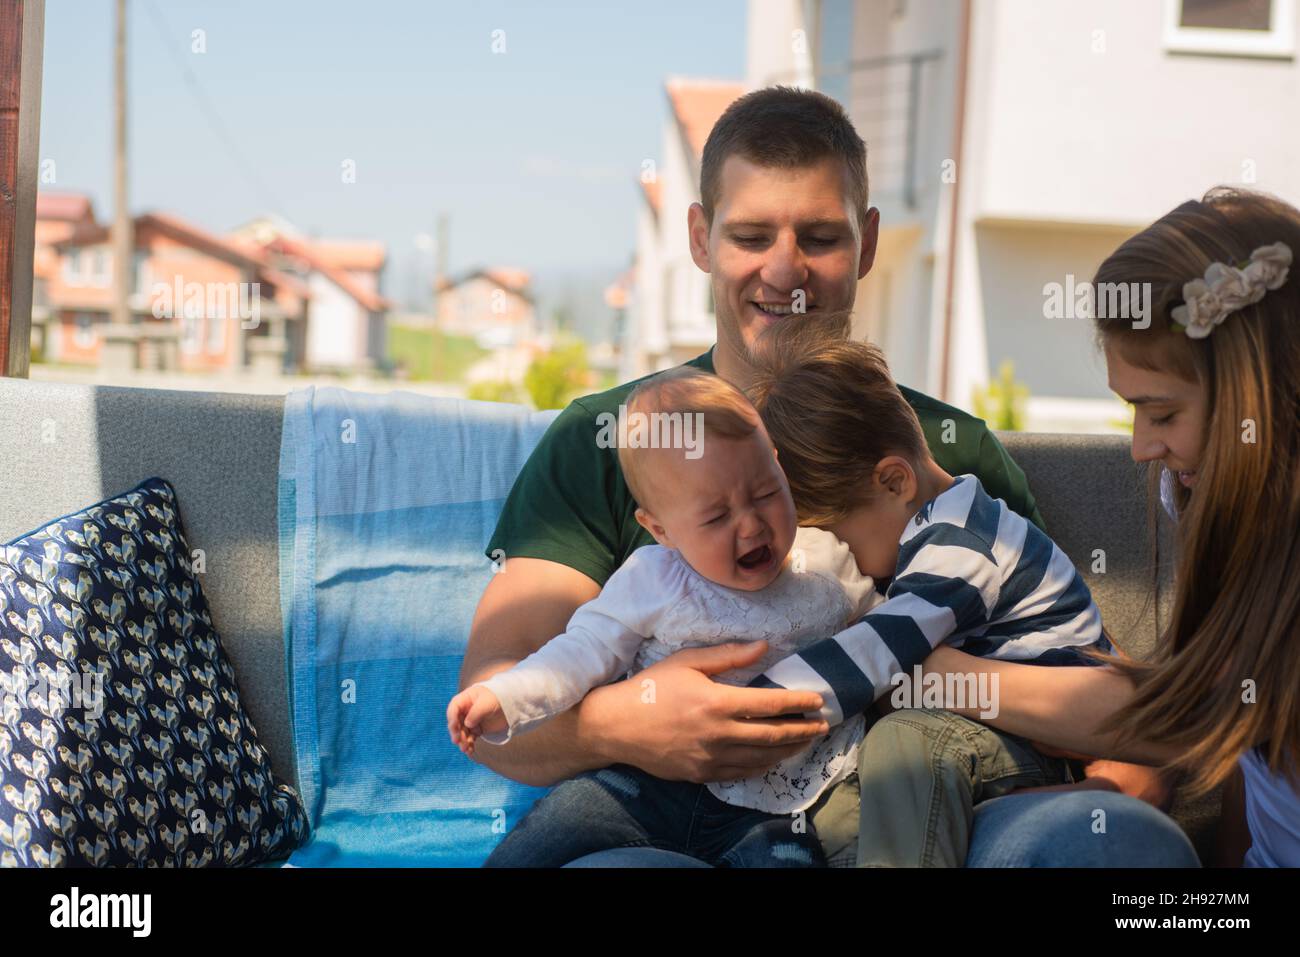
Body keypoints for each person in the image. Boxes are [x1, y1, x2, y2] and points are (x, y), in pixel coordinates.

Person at [459, 85, 1161, 867]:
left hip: (843, 810)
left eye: (820, 236)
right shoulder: (612, 441)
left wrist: (911, 679)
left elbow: (1105, 693)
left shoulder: (942, 452)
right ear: (699, 237)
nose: (786, 268)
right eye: (752, 233)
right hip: (643, 807)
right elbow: (496, 700)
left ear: (866, 242)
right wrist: (628, 722)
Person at [919, 187, 1299, 867]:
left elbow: (1179, 720)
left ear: (1255, 397)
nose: (1139, 446)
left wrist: (922, 669)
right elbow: (1243, 761)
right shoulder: (1211, 505)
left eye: (1160, 414)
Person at [450, 368, 878, 866]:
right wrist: (503, 696)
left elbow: (887, 634)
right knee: (553, 826)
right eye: (716, 517)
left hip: (784, 800)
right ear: (660, 529)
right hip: (651, 784)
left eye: (765, 493)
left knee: (789, 858)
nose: (751, 525)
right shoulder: (651, 579)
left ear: (779, 468)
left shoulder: (824, 563)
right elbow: (579, 652)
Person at [734, 317, 1113, 866]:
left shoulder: (961, 544)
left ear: (894, 481)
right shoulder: (937, 528)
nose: (840, 558)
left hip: (1037, 746)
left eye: (839, 536)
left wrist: (761, 703)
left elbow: (883, 647)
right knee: (837, 807)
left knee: (906, 744)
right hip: (979, 737)